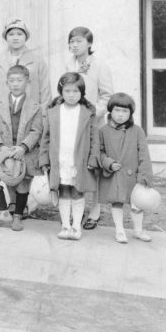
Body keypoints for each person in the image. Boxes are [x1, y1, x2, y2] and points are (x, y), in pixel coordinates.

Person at [0, 18, 49, 214]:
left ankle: (22, 205)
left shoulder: (37, 60)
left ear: (26, 37)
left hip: (28, 117)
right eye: (11, 34)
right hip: (6, 117)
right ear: (6, 37)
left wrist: (42, 115)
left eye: (19, 34)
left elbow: (45, 92)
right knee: (4, 164)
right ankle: (10, 205)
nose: (15, 37)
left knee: (23, 167)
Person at [39, 72, 100, 240]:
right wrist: (44, 159)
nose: (71, 95)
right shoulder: (54, 111)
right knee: (63, 190)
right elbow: (46, 137)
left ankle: (76, 226)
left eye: (75, 91)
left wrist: (93, 159)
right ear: (61, 91)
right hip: (60, 159)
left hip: (79, 159)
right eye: (67, 91)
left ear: (81, 93)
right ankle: (65, 225)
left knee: (77, 191)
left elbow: (95, 138)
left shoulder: (87, 112)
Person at [64, 26, 114, 230]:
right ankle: (78, 209)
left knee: (93, 167)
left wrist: (94, 113)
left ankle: (95, 212)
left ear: (89, 44)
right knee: (76, 165)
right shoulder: (69, 64)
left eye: (79, 41)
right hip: (73, 123)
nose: (74, 45)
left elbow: (107, 95)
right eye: (72, 42)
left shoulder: (99, 65)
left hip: (93, 123)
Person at [0, 65, 43, 231]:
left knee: (21, 184)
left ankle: (17, 217)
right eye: (11, 80)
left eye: (19, 80)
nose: (15, 84)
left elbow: (36, 130)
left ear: (27, 82)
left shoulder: (35, 106)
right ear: (6, 83)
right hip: (2, 150)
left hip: (22, 151)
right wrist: (1, 146)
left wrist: (23, 147)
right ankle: (4, 214)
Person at [98, 93, 154, 243]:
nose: (120, 115)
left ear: (130, 113)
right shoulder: (103, 131)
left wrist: (144, 176)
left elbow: (144, 154)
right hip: (115, 175)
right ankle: (120, 230)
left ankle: (138, 230)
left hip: (133, 175)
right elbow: (100, 151)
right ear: (111, 111)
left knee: (137, 203)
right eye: (117, 110)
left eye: (125, 111)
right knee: (117, 201)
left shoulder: (137, 131)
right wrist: (108, 163)